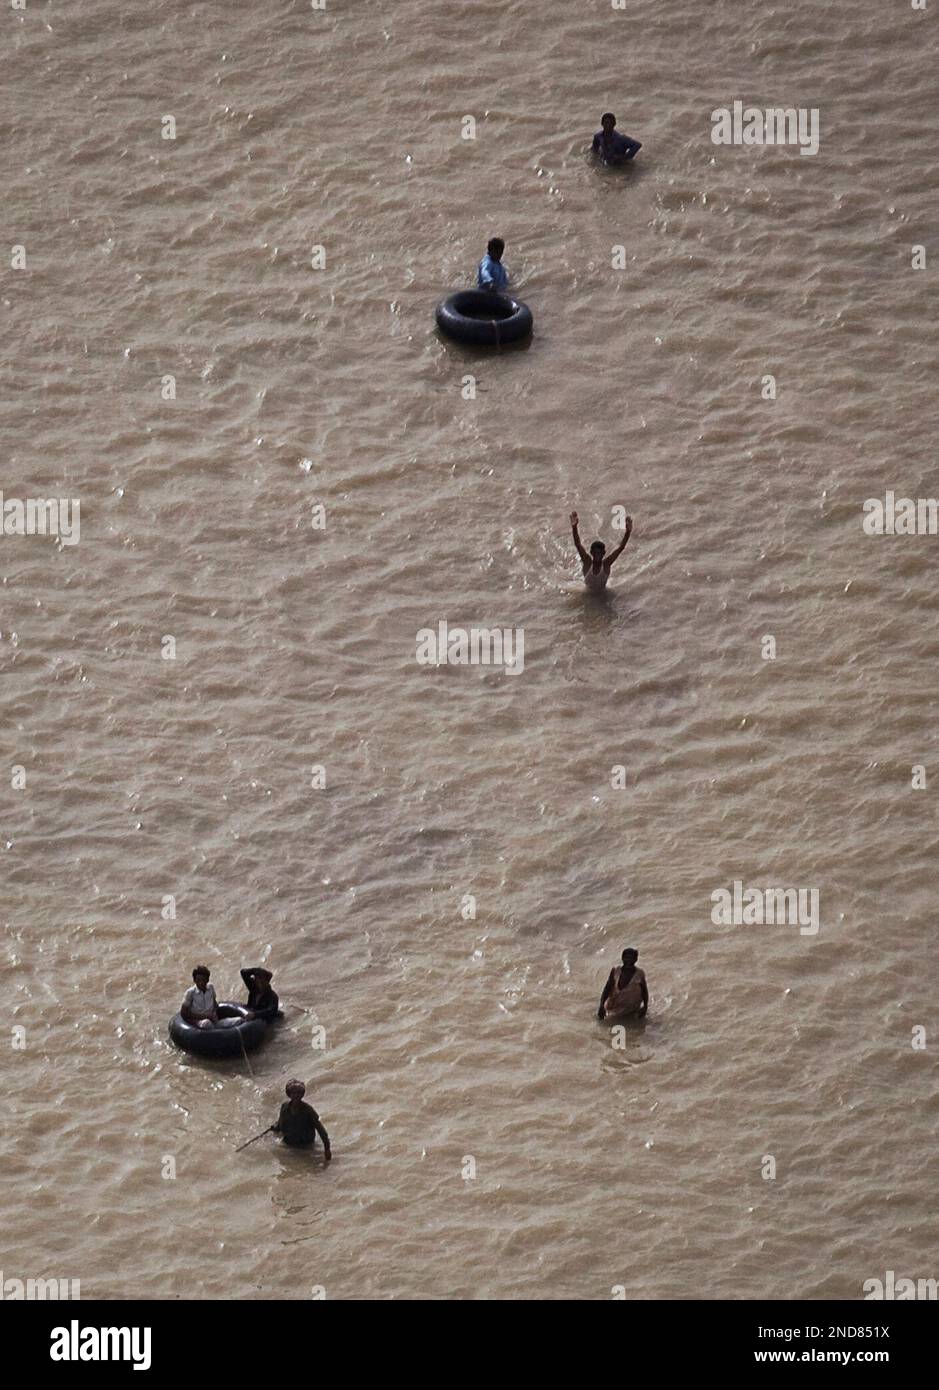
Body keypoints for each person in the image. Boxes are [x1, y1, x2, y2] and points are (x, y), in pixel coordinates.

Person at [570, 510, 632, 592]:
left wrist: (628, 532)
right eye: (595, 553)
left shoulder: (606, 564)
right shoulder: (587, 562)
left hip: (603, 594)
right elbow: (578, 544)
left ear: (603, 553)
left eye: (599, 553)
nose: (597, 555)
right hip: (588, 594)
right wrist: (574, 527)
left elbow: (621, 548)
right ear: (591, 553)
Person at [272, 1080, 331, 1161]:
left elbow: (320, 1130)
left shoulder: (308, 1110)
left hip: (305, 1145)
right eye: (294, 1093)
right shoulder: (284, 1107)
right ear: (289, 1094)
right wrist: (275, 1128)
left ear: (302, 1094)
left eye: (299, 1093)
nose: (296, 1095)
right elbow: (280, 1123)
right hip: (289, 1143)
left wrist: (327, 1149)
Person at [598, 948, 648, 1020]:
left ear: (636, 959)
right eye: (627, 957)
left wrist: (645, 1007)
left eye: (632, 958)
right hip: (614, 1008)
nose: (629, 960)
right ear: (622, 958)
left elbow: (644, 991)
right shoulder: (615, 971)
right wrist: (601, 1005)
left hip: (631, 1010)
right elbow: (607, 989)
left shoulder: (640, 974)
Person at [181, 966, 220, 1030]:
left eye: (203, 980)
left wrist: (215, 1013)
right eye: (198, 980)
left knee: (236, 1021)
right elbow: (184, 1013)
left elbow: (214, 1003)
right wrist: (205, 1017)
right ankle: (217, 1033)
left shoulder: (211, 988)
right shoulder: (190, 993)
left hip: (213, 1019)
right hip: (199, 1022)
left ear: (207, 980)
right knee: (207, 1023)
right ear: (194, 980)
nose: (201, 983)